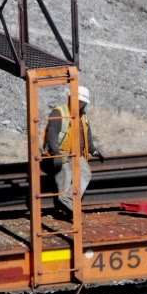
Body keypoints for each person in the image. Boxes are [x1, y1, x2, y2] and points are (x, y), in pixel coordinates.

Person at [43, 85, 103, 216]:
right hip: (62, 153)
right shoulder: (59, 112)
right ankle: (65, 205)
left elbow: (87, 132)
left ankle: (68, 201)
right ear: (72, 99)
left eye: (83, 103)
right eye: (80, 102)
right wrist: (56, 153)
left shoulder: (82, 115)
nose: (82, 105)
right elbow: (51, 135)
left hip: (76, 153)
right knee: (65, 178)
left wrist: (92, 149)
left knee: (85, 173)